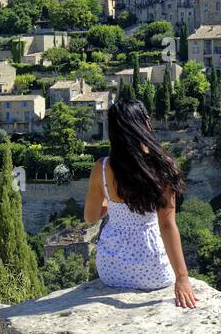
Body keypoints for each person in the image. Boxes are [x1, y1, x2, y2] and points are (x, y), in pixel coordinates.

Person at [84, 98, 197, 308]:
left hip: (111, 270)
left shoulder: (101, 168)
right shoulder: (163, 167)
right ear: (145, 122)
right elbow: (166, 225)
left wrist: (113, 204)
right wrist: (182, 278)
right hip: (153, 271)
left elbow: (90, 217)